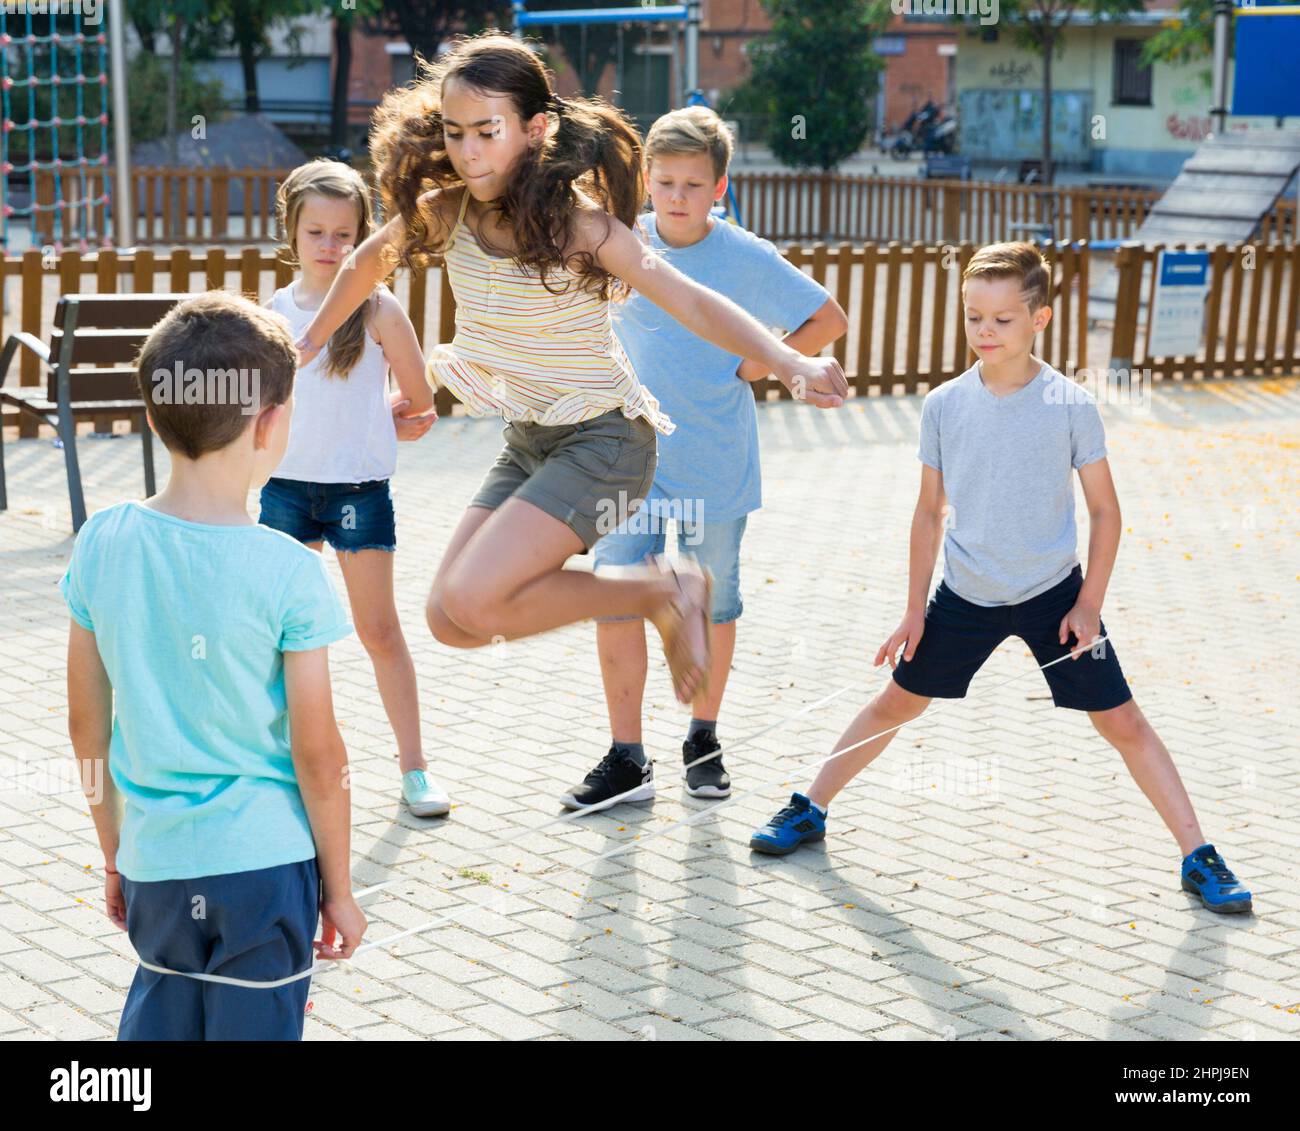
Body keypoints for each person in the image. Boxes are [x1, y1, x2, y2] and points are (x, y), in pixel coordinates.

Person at [293, 33, 848, 715]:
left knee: (474, 595)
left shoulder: (581, 227)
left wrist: (790, 361)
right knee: (449, 617)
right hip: (532, 439)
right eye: (455, 132)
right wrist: (307, 342)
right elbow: (364, 265)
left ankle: (663, 589)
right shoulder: (447, 213)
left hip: (606, 439)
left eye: (487, 133)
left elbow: (693, 300)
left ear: (536, 129)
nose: (468, 152)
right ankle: (655, 591)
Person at [749, 242, 1253, 917]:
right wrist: (913, 611)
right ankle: (808, 808)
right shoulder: (944, 406)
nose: (986, 332)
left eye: (1003, 320)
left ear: (1040, 319)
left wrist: (1090, 603)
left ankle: (1199, 855)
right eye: (974, 317)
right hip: (966, 596)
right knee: (896, 703)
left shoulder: (1070, 403)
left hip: (1055, 599)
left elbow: (1106, 511)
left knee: (1124, 719)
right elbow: (928, 514)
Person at [62, 292, 367, 1040]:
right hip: (266, 869)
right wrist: (340, 886)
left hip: (156, 863)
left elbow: (85, 728)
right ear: (270, 425)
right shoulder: (290, 570)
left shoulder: (103, 542)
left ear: (155, 415)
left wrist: (115, 856)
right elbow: (318, 755)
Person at [564, 105, 849, 811]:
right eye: (664, 182)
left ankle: (704, 740)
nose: (678, 197)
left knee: (714, 607)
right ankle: (627, 758)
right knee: (614, 602)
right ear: (647, 183)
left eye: (693, 184)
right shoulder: (621, 244)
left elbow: (829, 317)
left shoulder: (744, 255)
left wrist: (758, 364)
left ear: (719, 187)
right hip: (623, 465)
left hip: (715, 464)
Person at [261, 158, 449, 818]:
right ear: (292, 232)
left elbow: (423, 400)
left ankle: (416, 768)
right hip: (283, 493)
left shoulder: (378, 309)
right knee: (287, 634)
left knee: (378, 631)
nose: (331, 246)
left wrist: (402, 411)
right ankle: (282, 762)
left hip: (359, 495)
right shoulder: (273, 315)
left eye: (345, 235)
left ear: (363, 238)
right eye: (316, 232)